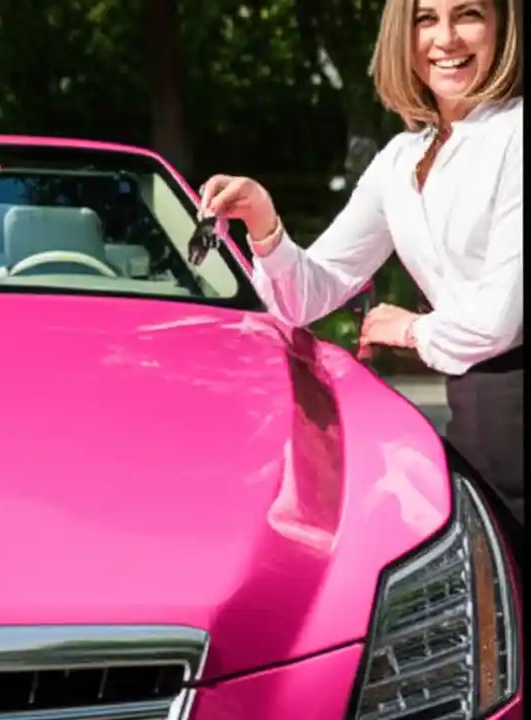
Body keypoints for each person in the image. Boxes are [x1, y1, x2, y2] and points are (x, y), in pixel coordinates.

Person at [199, 0, 523, 530]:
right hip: (476, 419)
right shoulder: (401, 158)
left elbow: (498, 318)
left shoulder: (517, 134)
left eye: (468, 15)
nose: (446, 39)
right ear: (404, 33)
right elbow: (308, 295)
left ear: (500, 26)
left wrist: (409, 328)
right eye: (425, 19)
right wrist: (264, 223)